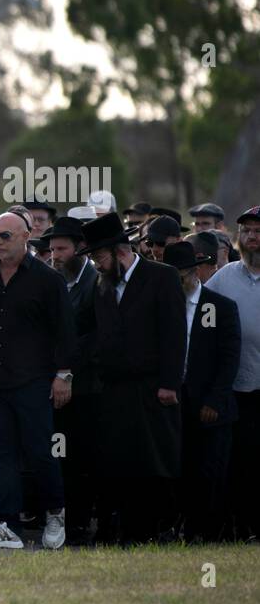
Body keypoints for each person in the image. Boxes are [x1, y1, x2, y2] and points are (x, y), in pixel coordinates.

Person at [0, 212, 76, 550]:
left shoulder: (47, 280)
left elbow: (65, 332)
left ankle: (55, 513)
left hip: (35, 381)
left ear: (26, 236)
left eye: (6, 236)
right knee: (1, 454)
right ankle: (8, 525)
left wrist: (63, 375)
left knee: (40, 451)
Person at [81, 212, 186, 544]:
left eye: (99, 256)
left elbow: (174, 333)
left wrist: (170, 383)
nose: (97, 264)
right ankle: (122, 530)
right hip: (113, 390)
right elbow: (91, 333)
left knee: (152, 461)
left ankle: (153, 530)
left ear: (119, 251)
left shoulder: (162, 276)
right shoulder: (102, 284)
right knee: (118, 462)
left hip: (153, 387)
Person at [161, 242, 241, 542]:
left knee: (208, 473)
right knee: (176, 470)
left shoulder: (220, 306)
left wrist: (214, 400)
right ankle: (176, 527)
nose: (176, 282)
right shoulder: (163, 305)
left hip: (209, 405)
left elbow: (228, 359)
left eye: (180, 275)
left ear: (194, 272)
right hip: (172, 402)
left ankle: (206, 533)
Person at [202, 206, 260, 540]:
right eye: (247, 231)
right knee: (236, 463)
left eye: (258, 231)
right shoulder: (223, 279)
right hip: (234, 390)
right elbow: (204, 327)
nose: (252, 237)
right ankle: (236, 527)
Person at [43, 216, 101, 544]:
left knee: (80, 457)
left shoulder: (95, 282)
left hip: (86, 387)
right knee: (58, 453)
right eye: (51, 249)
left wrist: (65, 370)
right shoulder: (55, 280)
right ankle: (59, 518)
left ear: (80, 248)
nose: (55, 255)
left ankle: (78, 522)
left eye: (62, 249)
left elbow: (90, 338)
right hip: (55, 385)